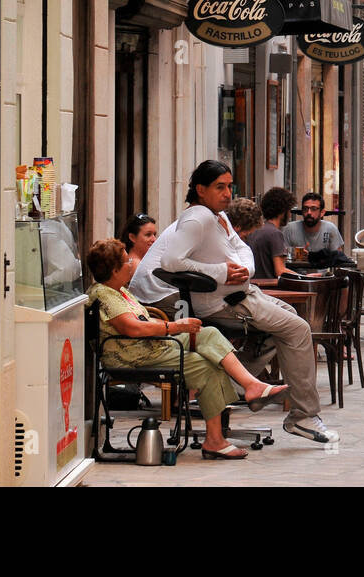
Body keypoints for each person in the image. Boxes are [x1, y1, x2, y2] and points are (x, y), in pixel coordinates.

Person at [144, 160, 340, 444]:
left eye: (229, 187)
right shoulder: (196, 218)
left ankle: (240, 387)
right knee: (297, 329)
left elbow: (242, 249)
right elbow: (171, 262)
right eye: (219, 187)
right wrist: (222, 272)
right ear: (200, 189)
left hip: (243, 293)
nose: (227, 194)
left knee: (292, 323)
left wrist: (245, 271)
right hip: (225, 303)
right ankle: (302, 416)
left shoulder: (219, 217)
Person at [86, 238, 288, 459]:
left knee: (207, 333)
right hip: (136, 355)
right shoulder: (105, 294)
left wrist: (175, 328)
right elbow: (132, 328)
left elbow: (143, 320)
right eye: (127, 262)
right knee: (205, 365)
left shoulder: (120, 291)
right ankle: (215, 440)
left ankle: (251, 385)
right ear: (115, 270)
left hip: (152, 346)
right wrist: (174, 326)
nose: (132, 264)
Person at [244, 187, 296, 279]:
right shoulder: (275, 233)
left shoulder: (254, 229)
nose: (290, 215)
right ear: (283, 212)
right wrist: (304, 277)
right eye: (289, 211)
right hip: (270, 287)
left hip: (254, 285)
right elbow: (280, 271)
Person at [283, 192, 345, 257]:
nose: (309, 212)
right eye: (305, 209)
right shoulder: (290, 229)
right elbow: (282, 257)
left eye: (314, 209)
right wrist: (295, 253)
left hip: (322, 267)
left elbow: (338, 257)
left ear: (322, 212)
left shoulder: (330, 228)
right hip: (294, 267)